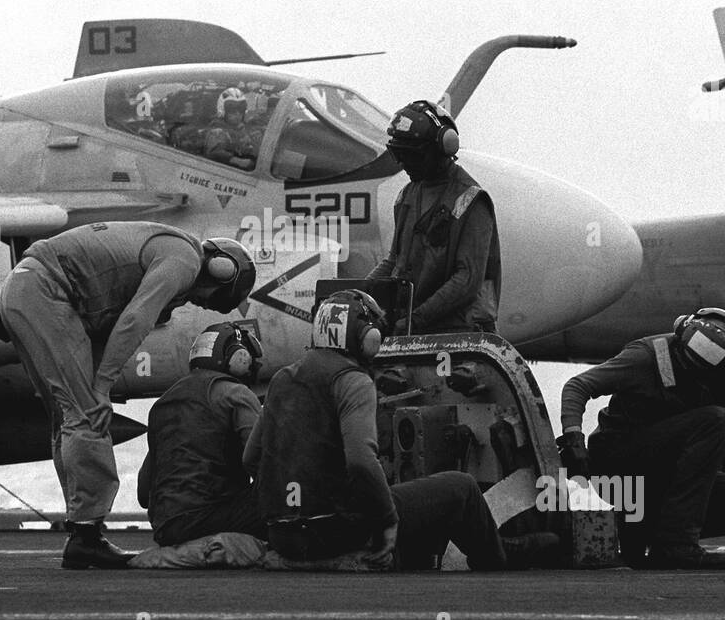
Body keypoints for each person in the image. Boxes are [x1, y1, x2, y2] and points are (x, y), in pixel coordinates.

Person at [0, 222, 255, 569]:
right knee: (88, 413)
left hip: (29, 291)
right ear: (221, 271)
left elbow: (109, 312)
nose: (200, 303)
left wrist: (99, 380)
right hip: (45, 294)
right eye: (211, 299)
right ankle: (86, 535)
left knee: (69, 415)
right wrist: (102, 384)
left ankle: (82, 528)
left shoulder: (172, 250)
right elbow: (134, 320)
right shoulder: (184, 260)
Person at [244, 289, 510, 570]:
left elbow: (250, 459)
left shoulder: (281, 379)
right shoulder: (352, 381)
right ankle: (497, 566)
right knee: (463, 487)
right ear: (366, 336)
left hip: (283, 537)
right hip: (336, 533)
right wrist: (387, 521)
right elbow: (360, 461)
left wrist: (288, 513)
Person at [559, 307, 725, 569]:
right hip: (620, 468)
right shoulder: (646, 355)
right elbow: (577, 386)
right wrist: (574, 439)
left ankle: (662, 538)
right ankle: (676, 544)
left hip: (669, 481)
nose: (695, 362)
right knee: (716, 420)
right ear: (682, 334)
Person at [366, 99, 500, 335]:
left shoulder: (471, 201)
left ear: (441, 149)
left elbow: (467, 279)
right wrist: (359, 296)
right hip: (416, 329)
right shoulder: (406, 196)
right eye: (399, 154)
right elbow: (394, 262)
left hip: (459, 335)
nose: (404, 164)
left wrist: (415, 320)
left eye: (411, 156)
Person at [138, 322, 266, 545]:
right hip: (211, 519)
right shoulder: (236, 394)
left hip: (165, 528)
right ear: (238, 357)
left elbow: (143, 492)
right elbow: (264, 463)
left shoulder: (163, 403)